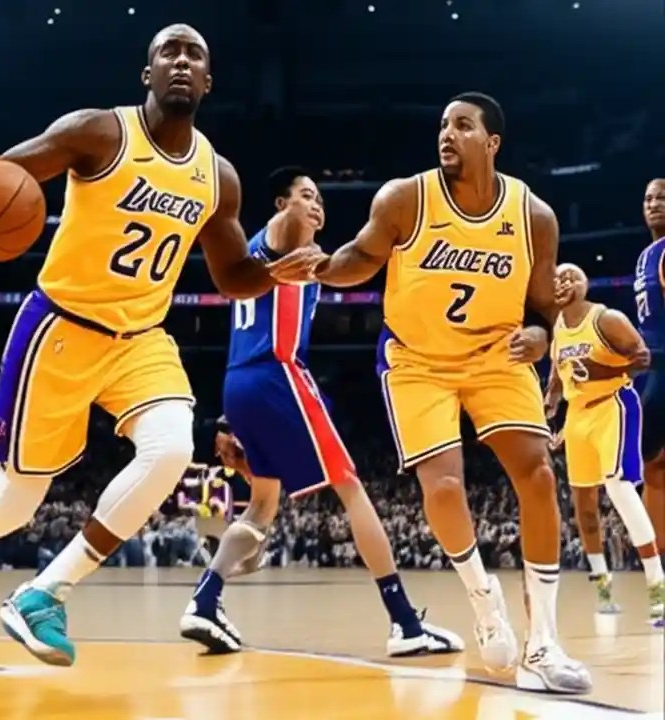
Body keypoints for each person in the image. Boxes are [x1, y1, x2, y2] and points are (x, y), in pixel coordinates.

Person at [0, 24, 283, 667]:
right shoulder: (99, 132)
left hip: (141, 339)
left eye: (195, 55)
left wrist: (278, 269)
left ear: (209, 82)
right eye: (168, 52)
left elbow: (231, 275)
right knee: (15, 503)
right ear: (147, 73)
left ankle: (45, 594)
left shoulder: (219, 178)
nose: (181, 61)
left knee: (173, 449)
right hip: (60, 329)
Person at [271, 92, 592, 693]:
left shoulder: (534, 216)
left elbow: (544, 307)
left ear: (491, 143)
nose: (447, 134)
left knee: (540, 475)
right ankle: (482, 598)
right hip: (417, 360)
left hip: (496, 354)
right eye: (443, 125)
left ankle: (544, 643)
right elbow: (360, 257)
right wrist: (318, 267)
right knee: (444, 489)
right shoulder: (405, 198)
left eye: (463, 126)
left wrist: (538, 335)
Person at [180, 168, 463, 658]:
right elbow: (298, 239)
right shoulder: (286, 242)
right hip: (278, 374)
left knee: (262, 507)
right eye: (305, 196)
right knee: (351, 487)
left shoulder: (270, 257)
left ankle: (205, 601)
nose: (316, 207)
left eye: (320, 200)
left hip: (240, 383)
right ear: (278, 205)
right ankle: (404, 623)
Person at [544, 263, 663, 624]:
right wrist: (550, 407)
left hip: (615, 404)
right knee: (584, 506)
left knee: (620, 488)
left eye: (572, 275)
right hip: (578, 416)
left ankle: (658, 587)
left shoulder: (605, 319)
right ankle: (602, 586)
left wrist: (604, 371)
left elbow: (643, 358)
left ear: (585, 284)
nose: (564, 280)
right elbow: (558, 379)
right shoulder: (559, 330)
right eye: (557, 277)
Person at [637, 178, 665, 555]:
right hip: (654, 371)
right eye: (648, 198)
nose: (654, 203)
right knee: (654, 470)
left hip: (661, 364)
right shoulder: (649, 253)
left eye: (662, 197)